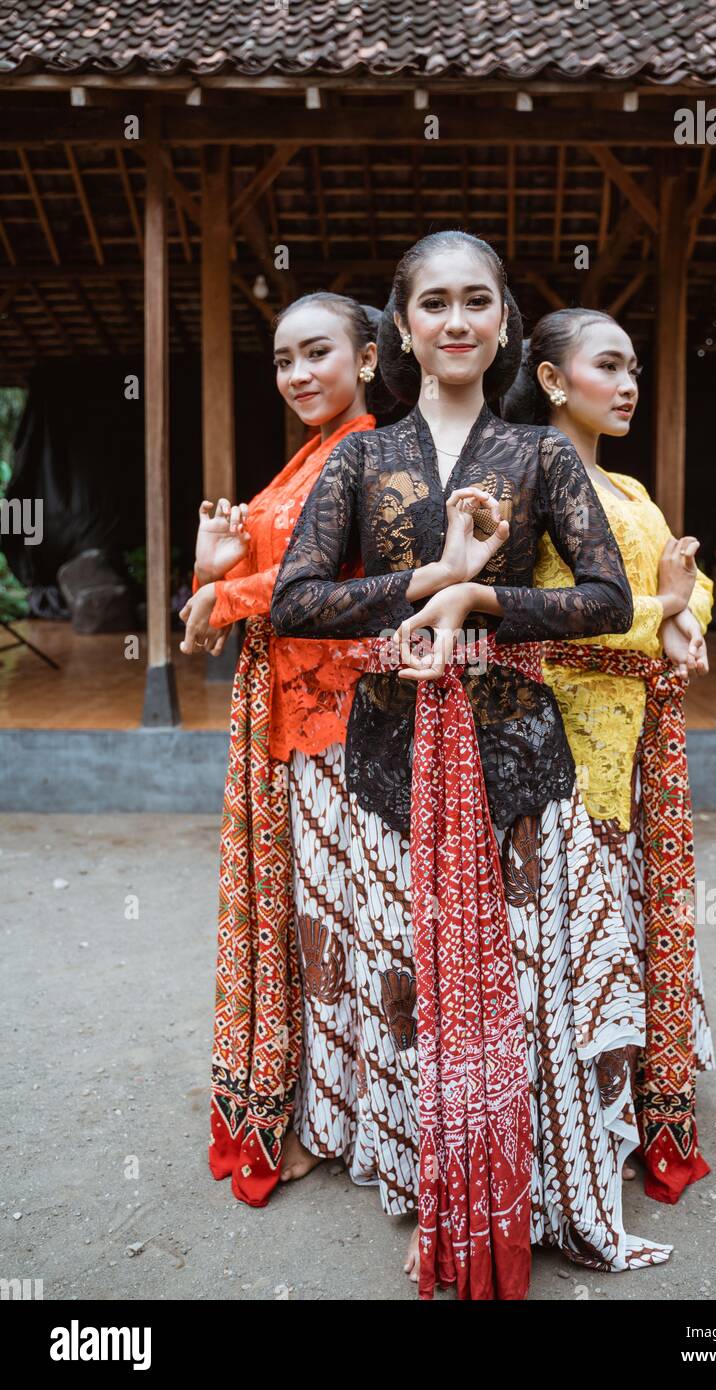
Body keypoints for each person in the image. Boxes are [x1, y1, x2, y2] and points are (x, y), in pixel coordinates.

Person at [270, 230, 672, 1300]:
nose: (455, 321)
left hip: (514, 750)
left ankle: (517, 1188)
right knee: (413, 976)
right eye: (433, 303)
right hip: (390, 751)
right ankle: (433, 1183)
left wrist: (482, 598)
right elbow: (294, 599)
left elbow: (606, 600)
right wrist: (427, 579)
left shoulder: (538, 456)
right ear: (400, 327)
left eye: (477, 303)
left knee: (512, 982)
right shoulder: (361, 457)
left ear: (501, 326)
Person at [502, 307, 715, 1205]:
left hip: (642, 740)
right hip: (560, 739)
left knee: (624, 925)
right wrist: (661, 619)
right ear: (553, 380)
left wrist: (689, 623)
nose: (629, 384)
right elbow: (528, 614)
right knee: (565, 936)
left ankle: (626, 1110)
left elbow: (688, 573)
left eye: (635, 368)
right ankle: (562, 1130)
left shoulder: (629, 491)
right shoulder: (529, 478)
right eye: (610, 366)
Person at [179, 293, 383, 1206]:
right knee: (309, 921)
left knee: (339, 925)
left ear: (369, 359)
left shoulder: (372, 452)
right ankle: (318, 1114)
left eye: (317, 354)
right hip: (284, 714)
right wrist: (212, 569)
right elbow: (249, 585)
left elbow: (328, 576)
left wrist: (218, 596)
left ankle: (350, 1127)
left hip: (341, 719)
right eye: (283, 359)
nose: (298, 374)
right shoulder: (304, 459)